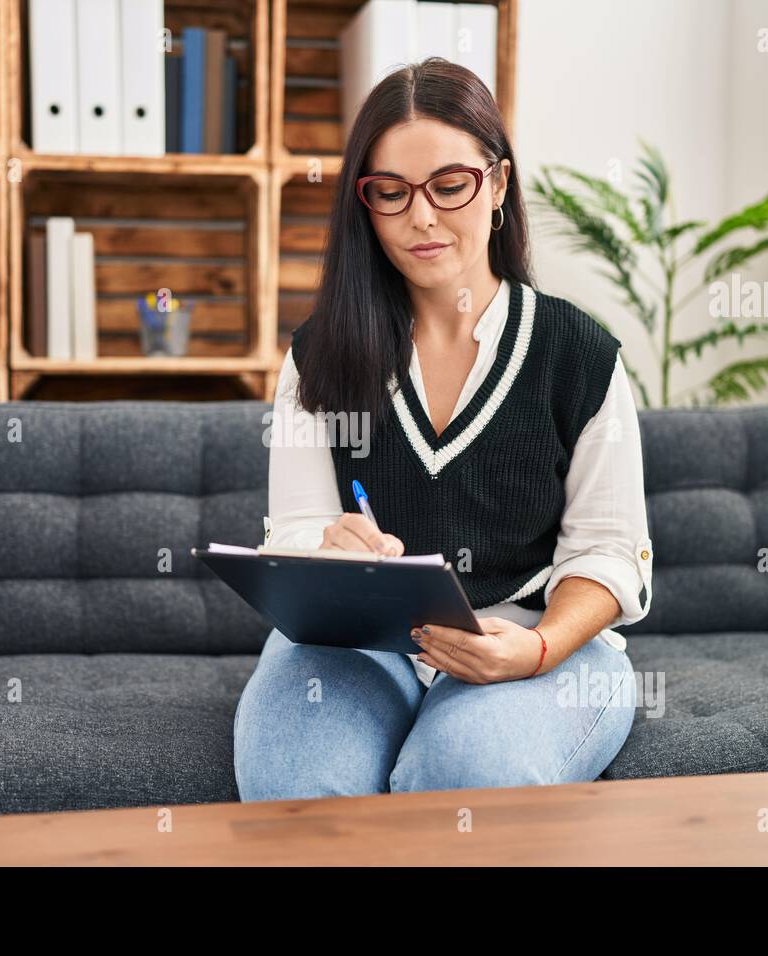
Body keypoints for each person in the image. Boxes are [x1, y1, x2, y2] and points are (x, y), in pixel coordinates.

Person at [234, 57, 653, 799]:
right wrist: (327, 549)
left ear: (496, 185)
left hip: (534, 643)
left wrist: (537, 648)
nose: (420, 217)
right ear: (364, 207)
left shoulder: (578, 355)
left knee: (463, 772)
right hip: (363, 646)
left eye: (449, 185)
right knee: (298, 787)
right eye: (390, 194)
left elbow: (609, 553)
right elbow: (293, 534)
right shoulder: (319, 356)